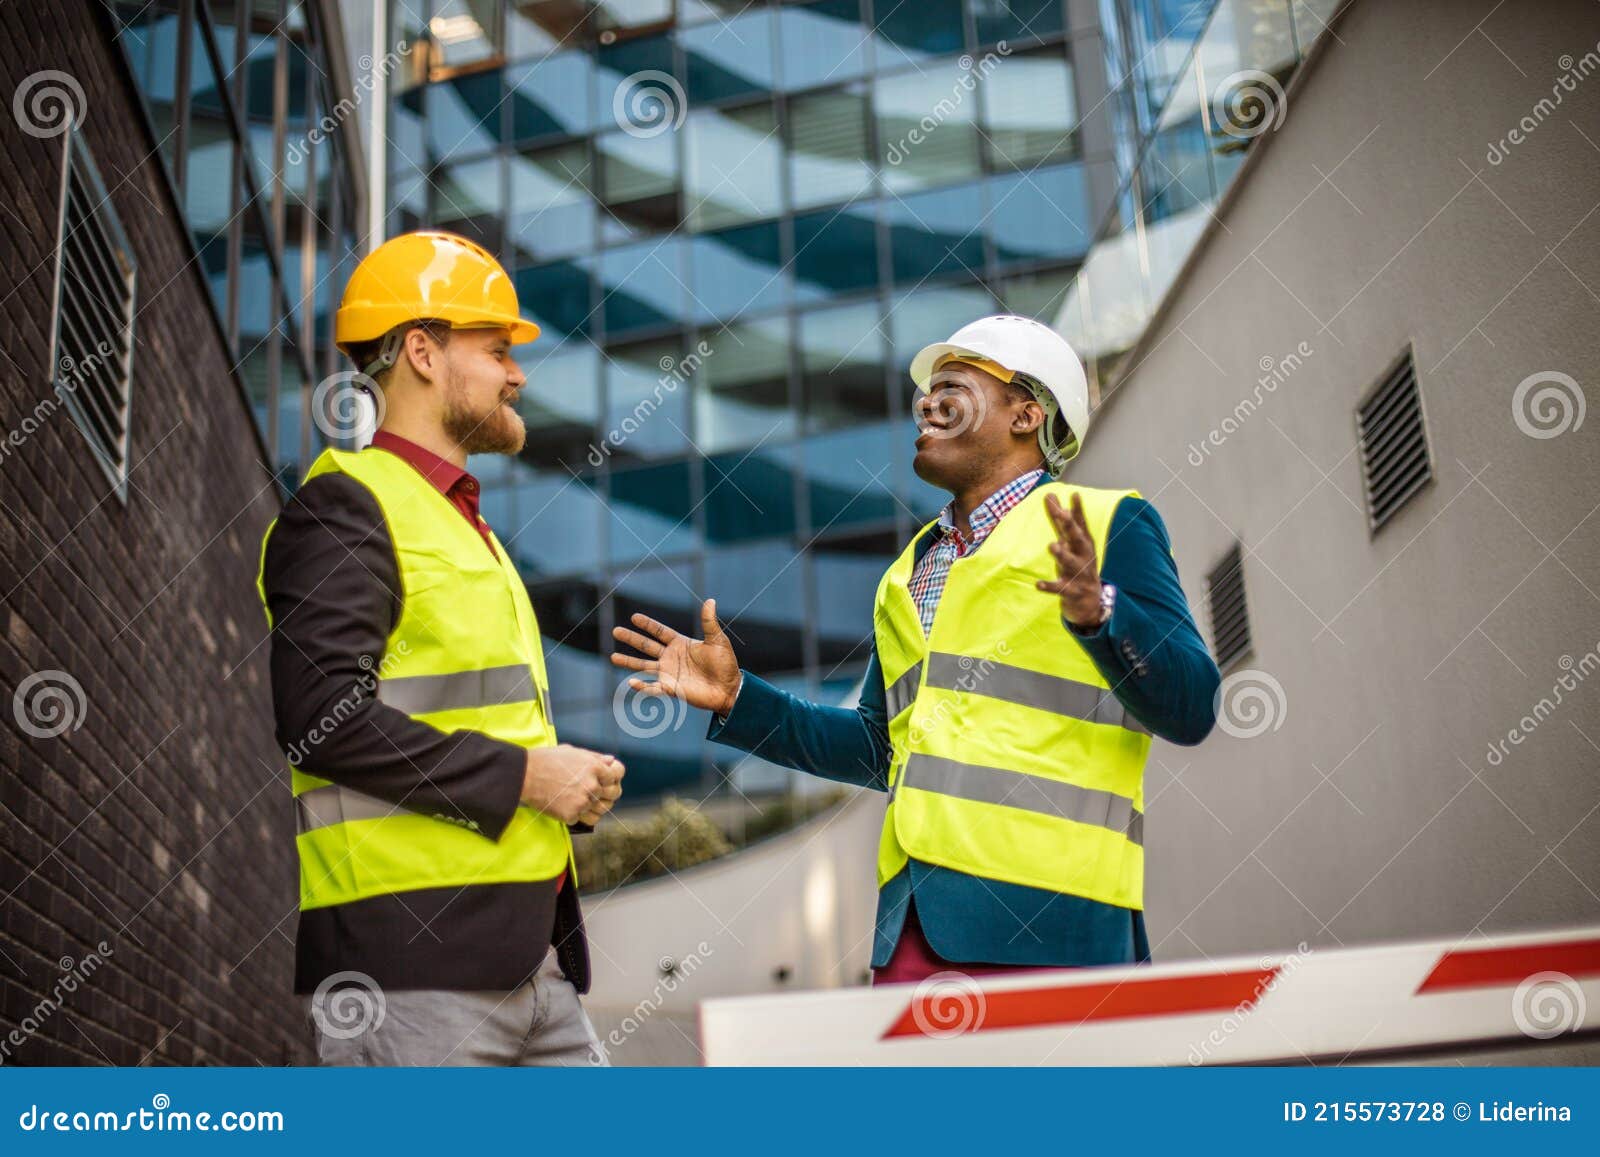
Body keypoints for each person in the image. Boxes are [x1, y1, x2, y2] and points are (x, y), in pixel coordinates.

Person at [611, 315, 1220, 983]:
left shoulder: (1109, 524)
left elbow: (1191, 704)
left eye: (952, 391)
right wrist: (739, 698)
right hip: (913, 932)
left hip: (1062, 923)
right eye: (926, 396)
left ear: (1025, 412)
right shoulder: (908, 572)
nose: (927, 408)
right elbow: (880, 749)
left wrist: (1098, 611)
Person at [257, 230, 622, 1063]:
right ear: (422, 351)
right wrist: (531, 776)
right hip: (411, 976)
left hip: (533, 962)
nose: (517, 372)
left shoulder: (469, 524)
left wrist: (564, 778)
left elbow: (466, 710)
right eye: (496, 349)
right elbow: (320, 719)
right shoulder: (345, 507)